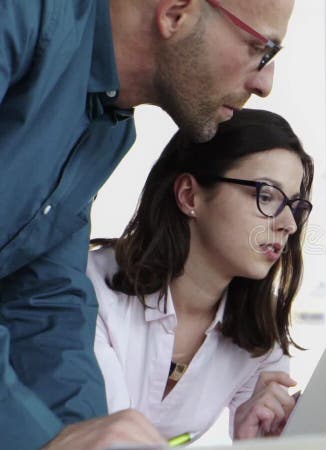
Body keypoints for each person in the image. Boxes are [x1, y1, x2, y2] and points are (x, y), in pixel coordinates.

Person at [0, 0, 294, 448]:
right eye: (262, 49)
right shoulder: (22, 18)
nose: (265, 82)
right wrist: (39, 438)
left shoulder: (105, 130)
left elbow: (44, 299)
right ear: (176, 12)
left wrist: (83, 434)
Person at [89, 108, 313, 440]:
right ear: (189, 196)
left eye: (295, 206)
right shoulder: (91, 288)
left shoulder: (260, 341)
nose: (289, 224)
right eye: (266, 196)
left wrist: (255, 445)